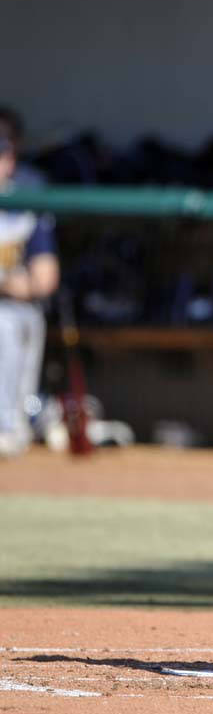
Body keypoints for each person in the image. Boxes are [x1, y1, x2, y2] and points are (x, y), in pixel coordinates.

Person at [0, 111, 59, 457]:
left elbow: (44, 278)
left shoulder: (27, 198)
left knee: (6, 321)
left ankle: (9, 425)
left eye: (4, 150)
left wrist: (9, 283)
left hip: (17, 310)